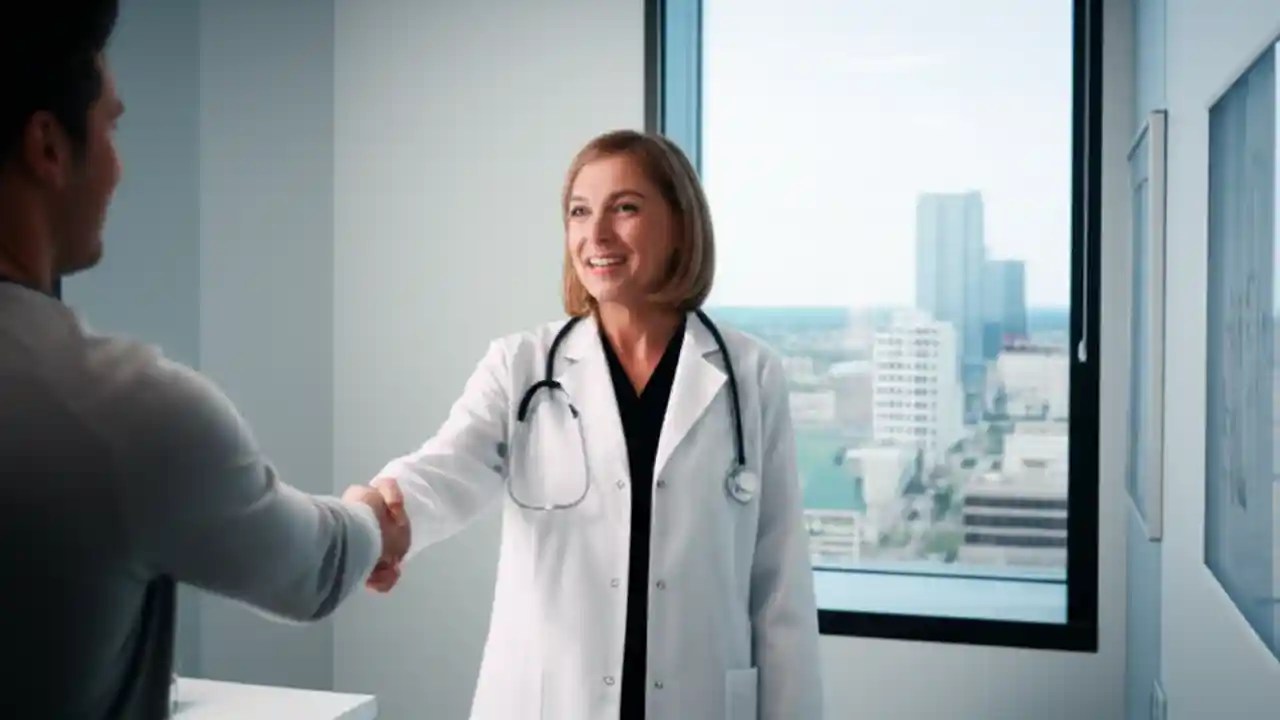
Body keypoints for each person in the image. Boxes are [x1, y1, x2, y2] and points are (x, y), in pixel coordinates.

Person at [0, 3, 410, 718]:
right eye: (112, 127)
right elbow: (313, 568)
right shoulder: (122, 414)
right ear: (48, 146)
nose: (119, 167)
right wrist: (373, 514)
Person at [367, 129, 823, 719]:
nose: (596, 235)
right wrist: (383, 516)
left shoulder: (750, 376)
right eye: (580, 212)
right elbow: (446, 468)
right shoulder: (521, 366)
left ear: (680, 224)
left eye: (625, 208)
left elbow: (779, 586)